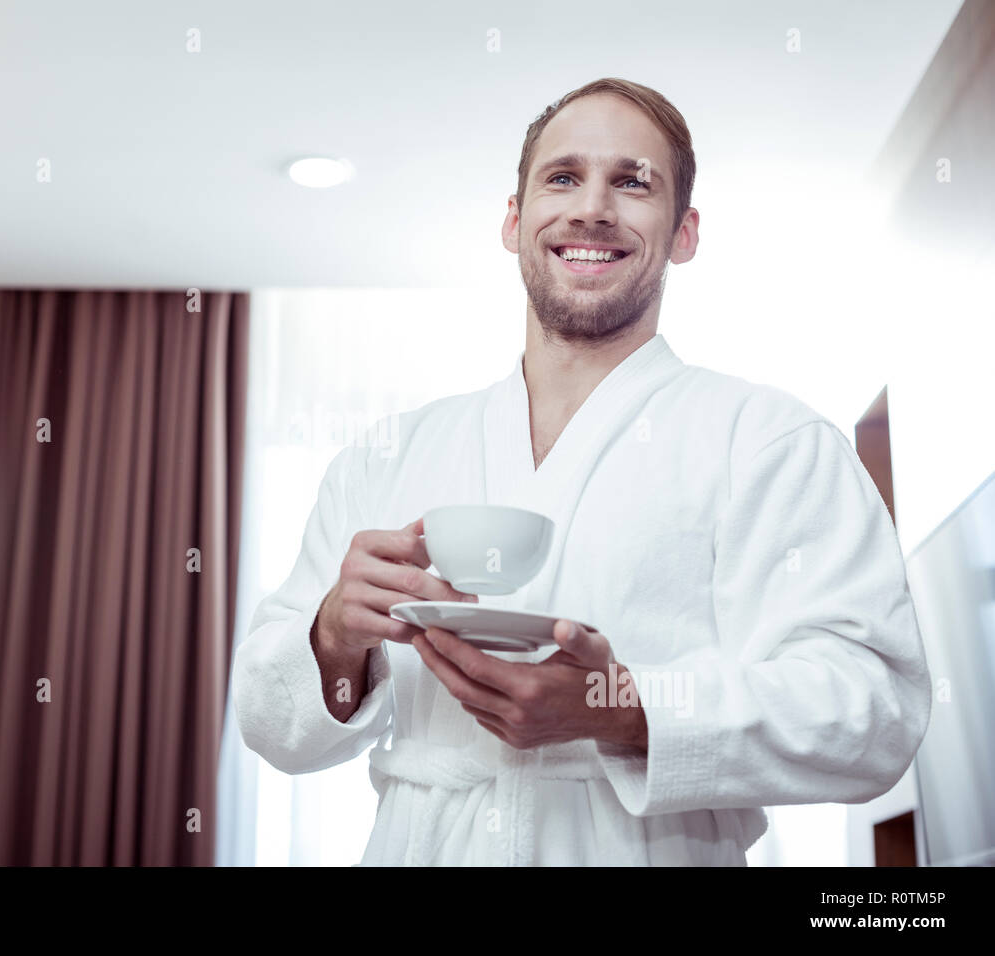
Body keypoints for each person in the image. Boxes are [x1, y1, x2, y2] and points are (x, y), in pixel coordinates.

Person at [232, 77, 932, 865]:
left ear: (684, 233)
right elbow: (268, 723)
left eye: (632, 182)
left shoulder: (771, 441)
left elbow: (875, 715)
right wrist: (332, 636)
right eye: (562, 178)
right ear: (513, 218)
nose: (591, 207)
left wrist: (621, 708)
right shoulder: (387, 454)